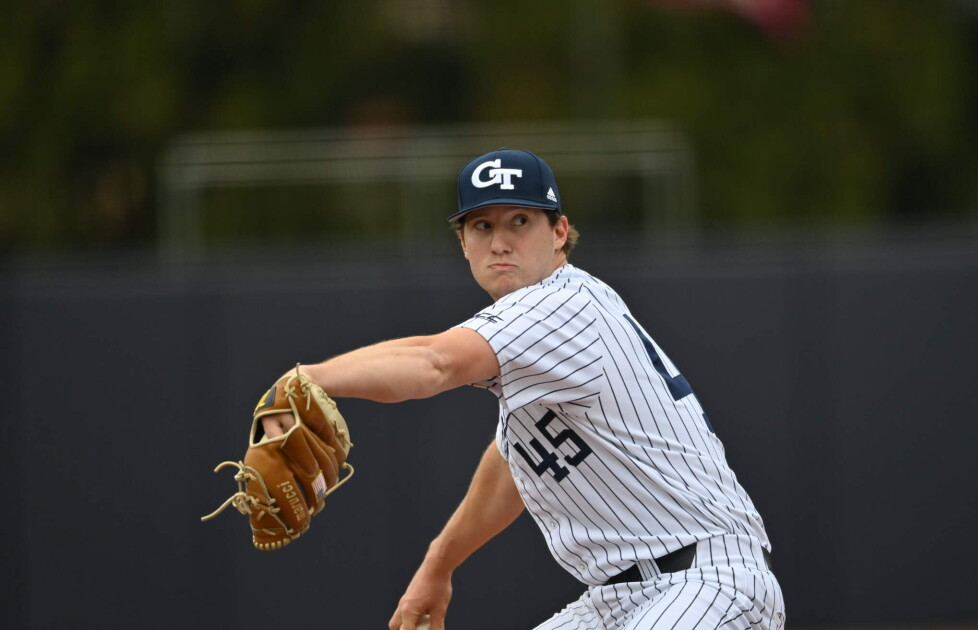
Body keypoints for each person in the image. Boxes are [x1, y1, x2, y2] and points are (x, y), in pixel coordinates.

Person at [261, 149, 785, 630]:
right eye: (481, 225)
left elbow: (435, 361)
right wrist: (437, 565)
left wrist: (305, 381)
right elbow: (513, 463)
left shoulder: (563, 305)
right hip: (623, 597)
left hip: (707, 581)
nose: (500, 240)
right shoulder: (533, 342)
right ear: (463, 243)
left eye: (520, 221)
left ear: (559, 232)